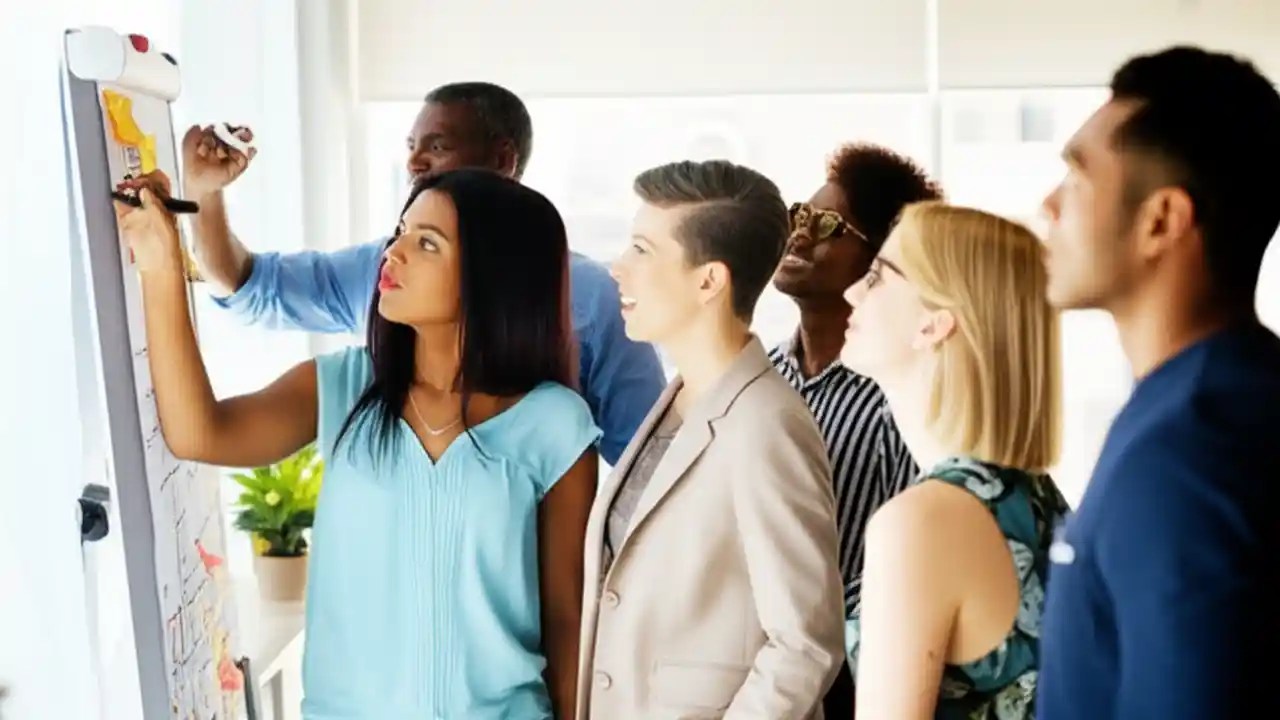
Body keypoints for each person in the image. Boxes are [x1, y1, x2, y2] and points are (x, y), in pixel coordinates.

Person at [115, 168, 599, 718]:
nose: (393, 253)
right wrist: (161, 266)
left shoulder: (554, 423)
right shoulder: (341, 386)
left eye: (427, 243)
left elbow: (567, 617)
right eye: (401, 232)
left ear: (494, 277)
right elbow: (199, 433)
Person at [183, 81, 664, 465]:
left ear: (502, 159)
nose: (414, 162)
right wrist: (203, 195)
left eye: (437, 145)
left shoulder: (593, 305)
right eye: (411, 146)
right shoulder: (381, 282)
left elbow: (646, 464)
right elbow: (248, 285)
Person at [1037, 45, 1280, 720]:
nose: (1048, 205)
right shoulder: (1220, 401)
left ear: (1161, 221)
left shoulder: (1187, 452)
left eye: (1077, 178)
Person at [576, 160, 845, 719]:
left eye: (642, 250)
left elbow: (805, 644)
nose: (618, 268)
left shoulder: (768, 423)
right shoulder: (677, 400)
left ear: (708, 281)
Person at [841, 202, 1069, 718]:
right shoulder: (1035, 497)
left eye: (876, 277)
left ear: (933, 324)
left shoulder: (921, 522)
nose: (852, 292)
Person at [771, 143, 941, 715]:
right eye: (800, 215)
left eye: (827, 225)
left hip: (857, 682)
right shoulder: (759, 378)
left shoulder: (901, 397)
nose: (800, 234)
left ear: (878, 261)